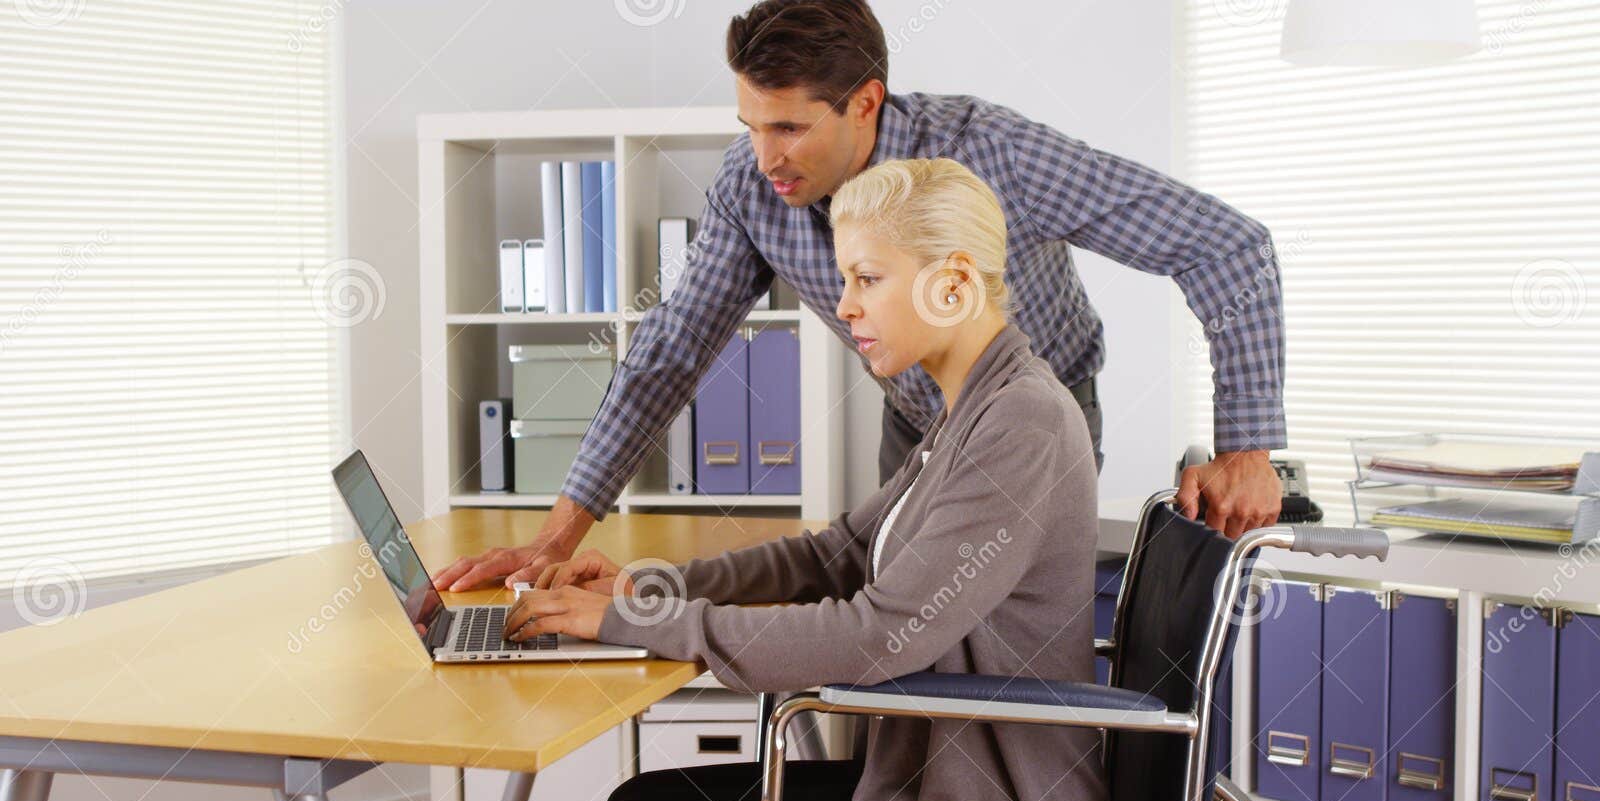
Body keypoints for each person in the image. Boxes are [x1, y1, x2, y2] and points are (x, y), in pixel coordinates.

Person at [433, 0, 1284, 596]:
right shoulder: (754, 186)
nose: (764, 157)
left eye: (789, 127)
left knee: (971, 636)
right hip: (918, 422)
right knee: (890, 610)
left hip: (1036, 419)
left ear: (866, 103)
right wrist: (556, 541)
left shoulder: (994, 153)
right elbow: (669, 351)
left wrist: (1247, 448)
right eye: (750, 126)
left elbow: (1225, 245)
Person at [502, 158, 1112, 801]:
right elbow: (835, 556)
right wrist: (648, 590)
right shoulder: (970, 409)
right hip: (923, 783)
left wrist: (635, 622)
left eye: (868, 278)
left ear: (954, 282)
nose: (845, 306)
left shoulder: (1021, 421)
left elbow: (877, 634)